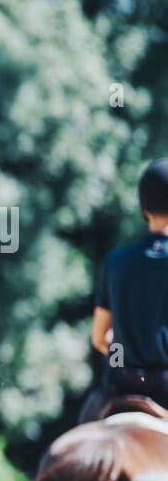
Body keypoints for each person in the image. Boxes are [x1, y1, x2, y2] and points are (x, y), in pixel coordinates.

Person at [80, 159, 168, 422]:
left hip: (120, 385)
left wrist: (123, 358)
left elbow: (100, 337)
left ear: (144, 207)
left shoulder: (115, 261)